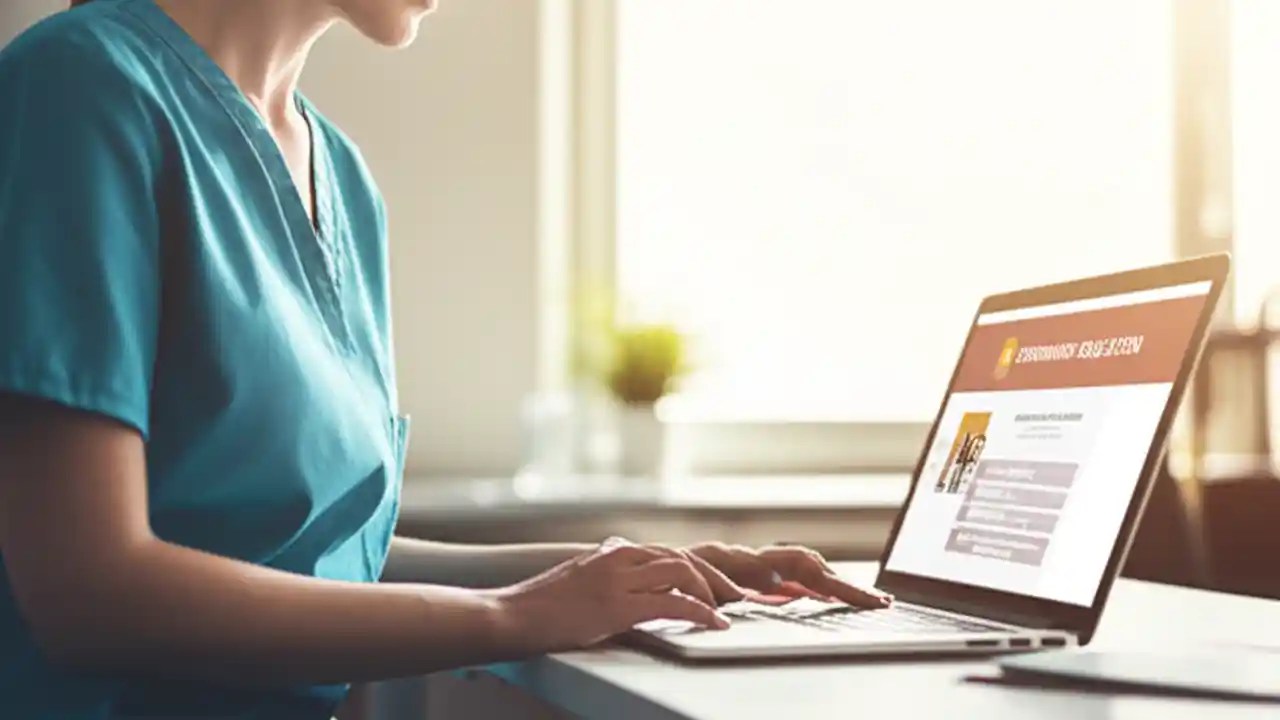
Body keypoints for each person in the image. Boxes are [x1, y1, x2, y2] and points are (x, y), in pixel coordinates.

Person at [0, 1, 892, 717]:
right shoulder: (79, 89)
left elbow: (326, 559)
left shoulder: (341, 176)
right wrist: (513, 617)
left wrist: (630, 569)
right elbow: (90, 593)